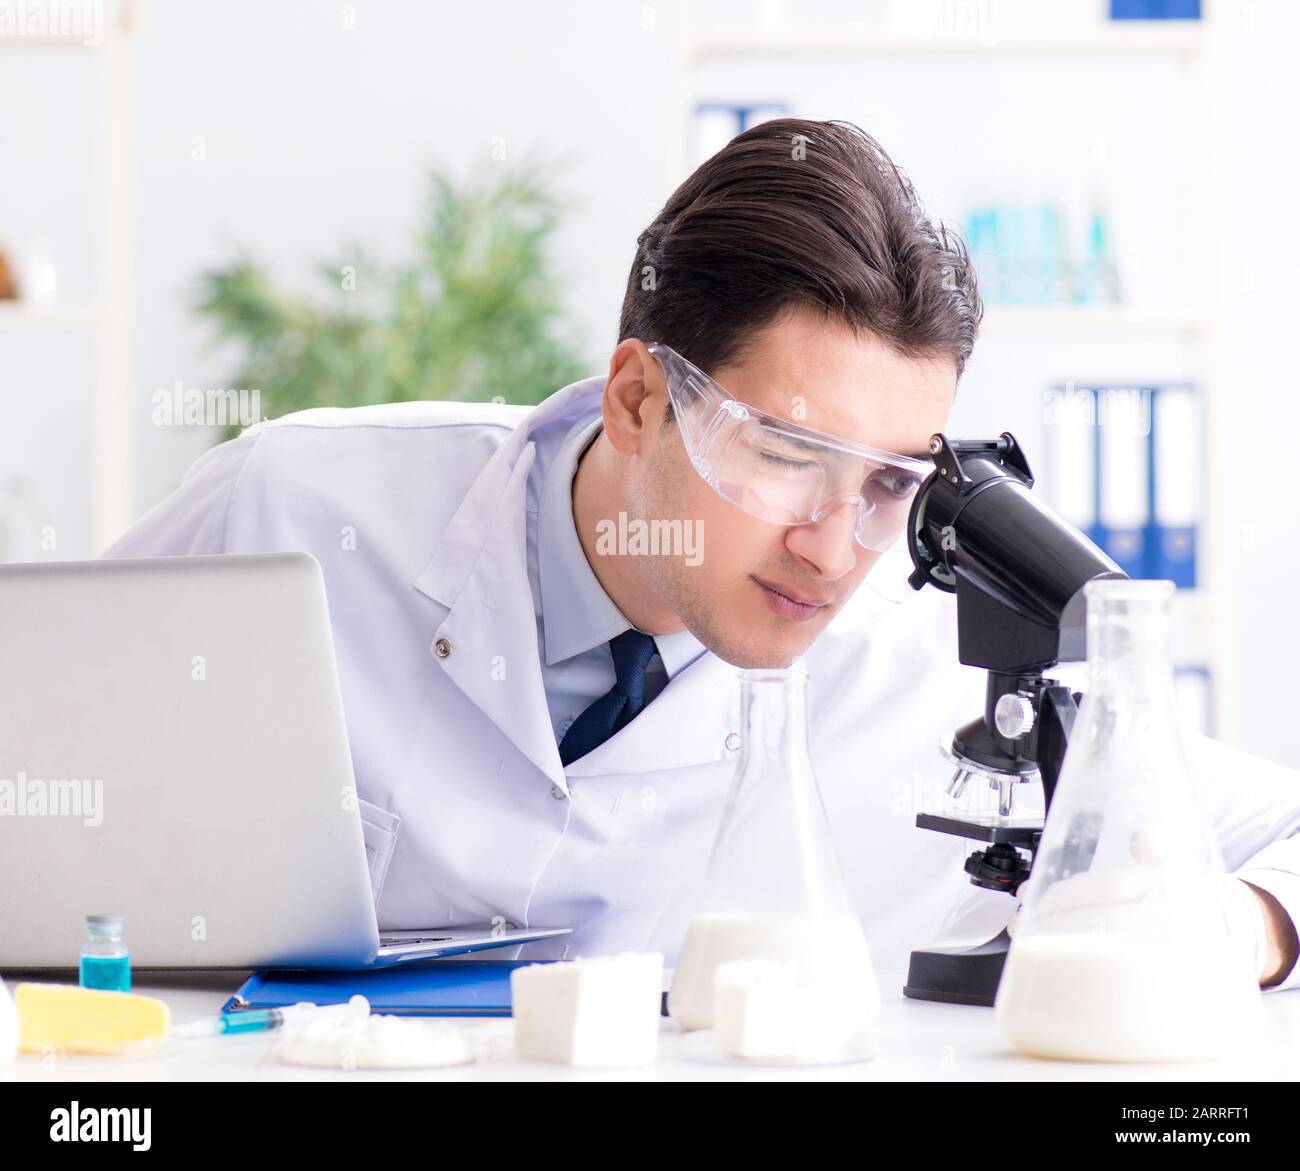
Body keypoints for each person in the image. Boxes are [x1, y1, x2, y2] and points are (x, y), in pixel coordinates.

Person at [106, 119, 1300, 988]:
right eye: (785, 453)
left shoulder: (927, 675)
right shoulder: (292, 509)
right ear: (636, 400)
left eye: (888, 479)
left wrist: (1235, 926)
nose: (834, 547)